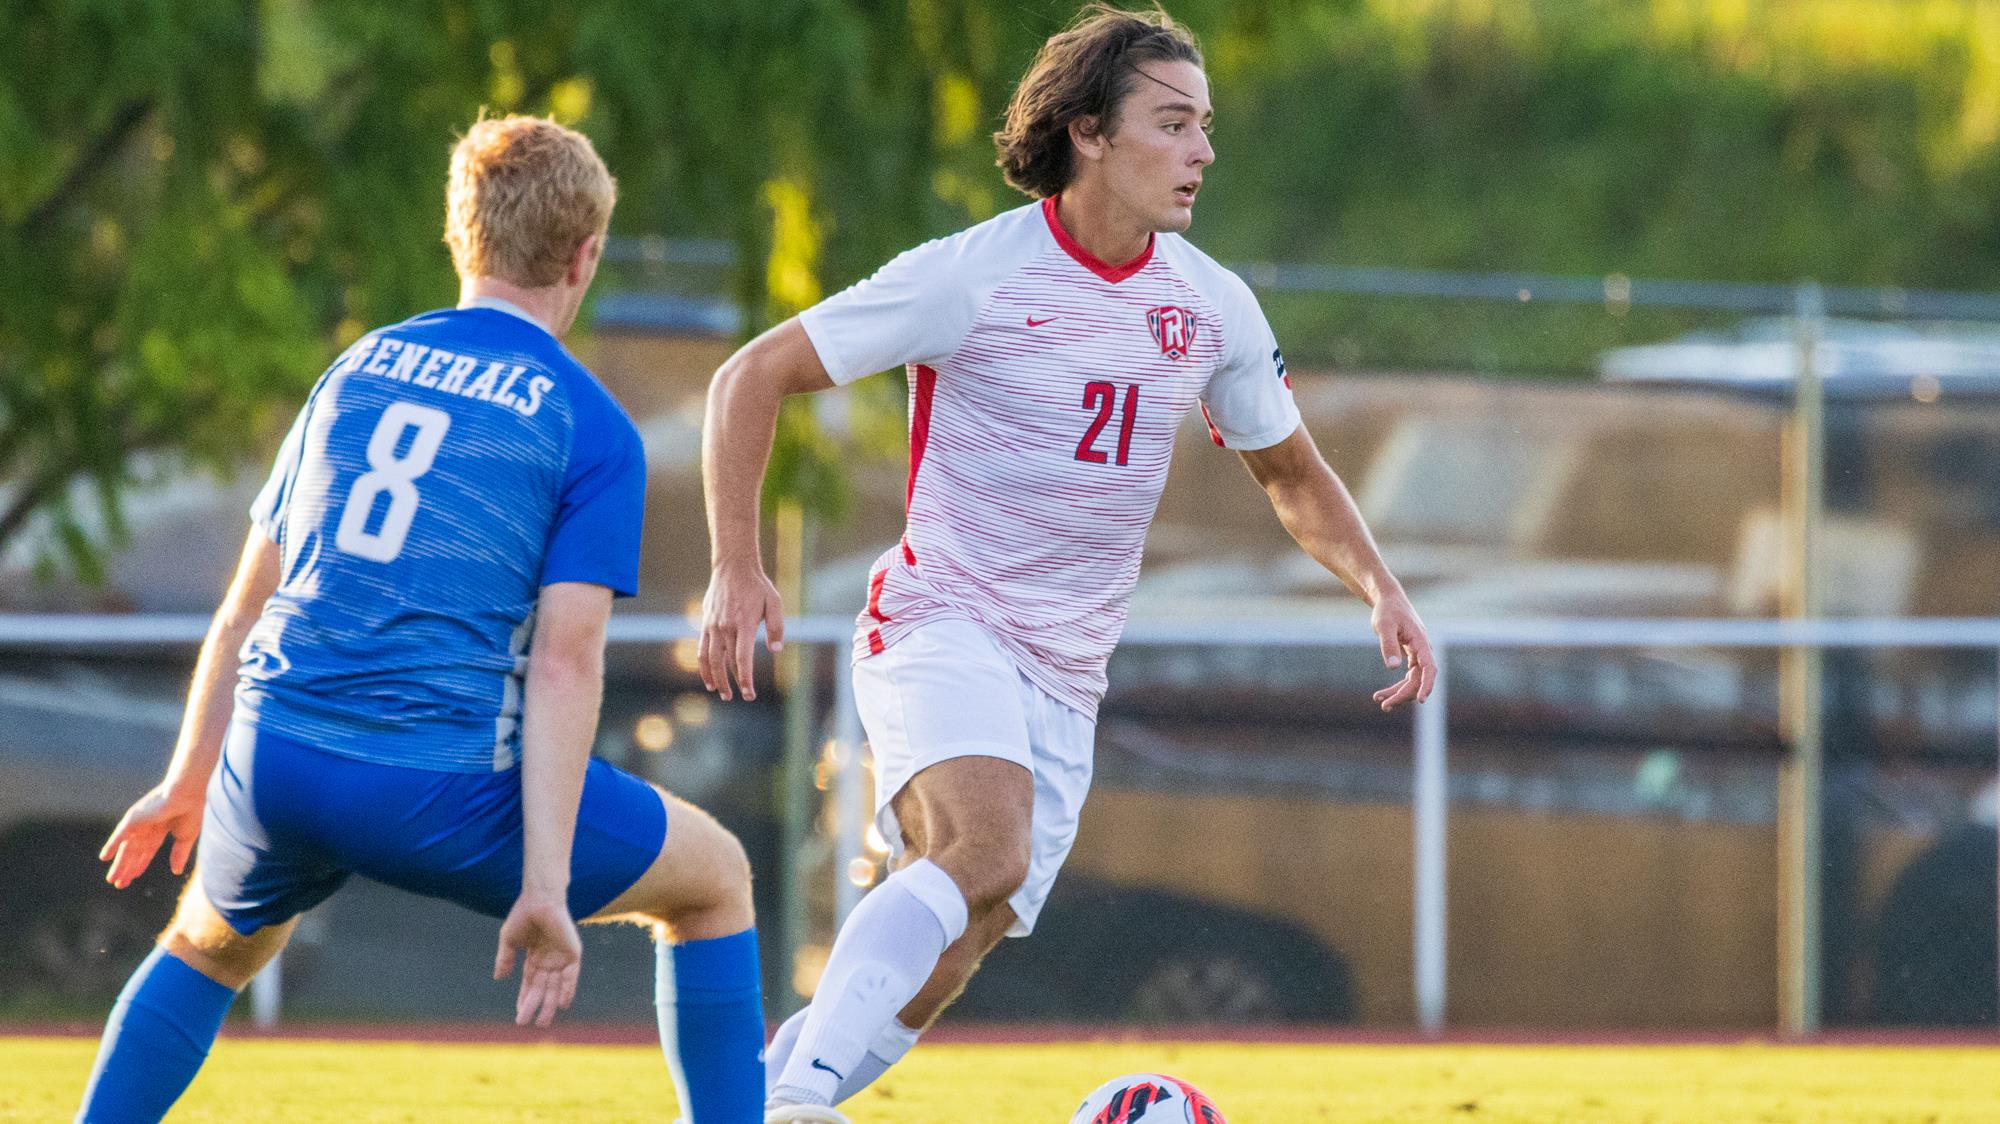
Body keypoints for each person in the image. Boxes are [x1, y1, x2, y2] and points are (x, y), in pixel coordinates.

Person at [698, 7, 1435, 1121]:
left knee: (960, 933)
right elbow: (748, 376)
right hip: (939, 618)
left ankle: (746, 1106)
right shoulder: (970, 275)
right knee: (978, 849)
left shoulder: (1209, 303)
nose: (1202, 152)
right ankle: (800, 1101)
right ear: (1088, 131)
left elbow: (1288, 472)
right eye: (1173, 123)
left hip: (1065, 673)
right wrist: (735, 565)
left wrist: (1378, 584)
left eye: (1205, 127)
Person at [77, 115, 764, 1124]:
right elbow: (566, 667)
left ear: (459, 238)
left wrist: (189, 776)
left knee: (207, 944)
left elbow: (243, 607)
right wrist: (542, 882)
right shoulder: (588, 425)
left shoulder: (354, 368)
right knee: (714, 879)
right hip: (435, 787)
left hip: (276, 758)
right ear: (585, 254)